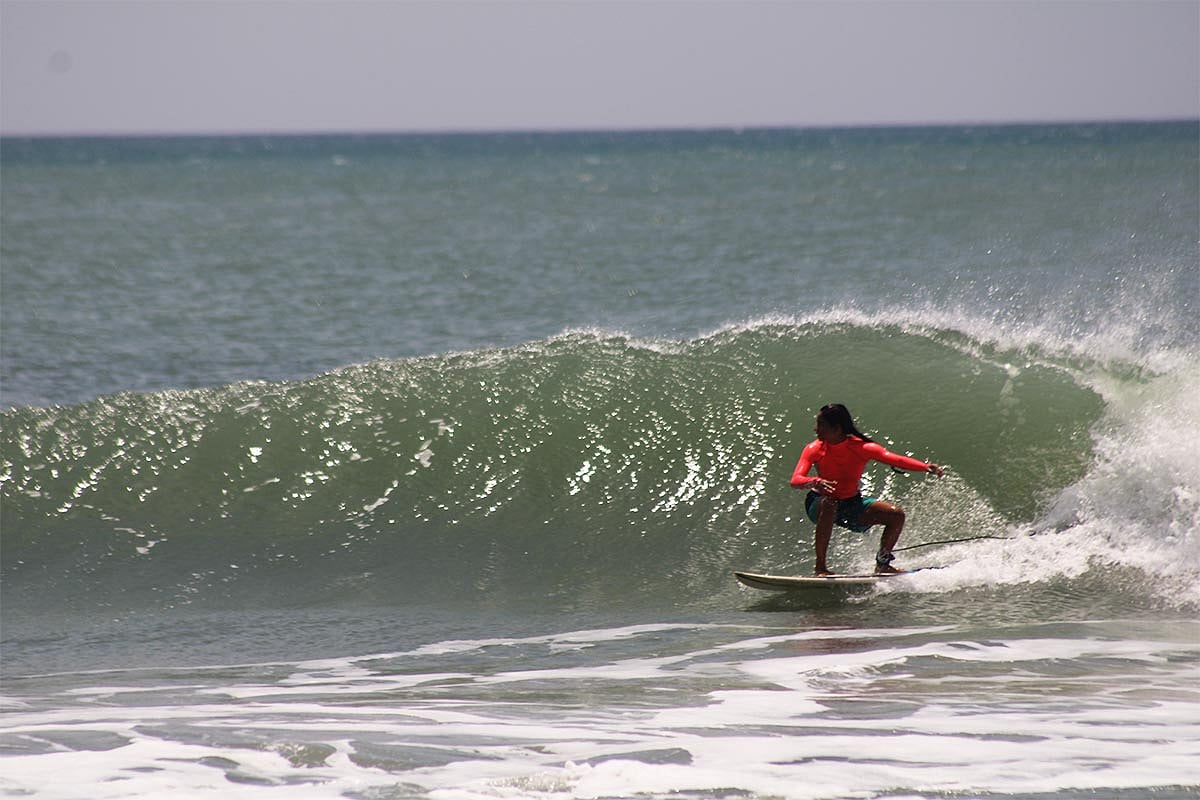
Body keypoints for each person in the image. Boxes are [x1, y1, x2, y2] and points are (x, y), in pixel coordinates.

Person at [790, 403, 944, 576]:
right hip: (818, 504)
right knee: (829, 503)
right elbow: (796, 480)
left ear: (837, 428)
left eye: (821, 425)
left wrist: (924, 467)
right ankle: (820, 568)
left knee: (896, 515)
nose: (815, 429)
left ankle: (883, 564)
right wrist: (814, 481)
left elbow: (894, 459)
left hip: (851, 504)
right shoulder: (814, 449)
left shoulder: (861, 448)